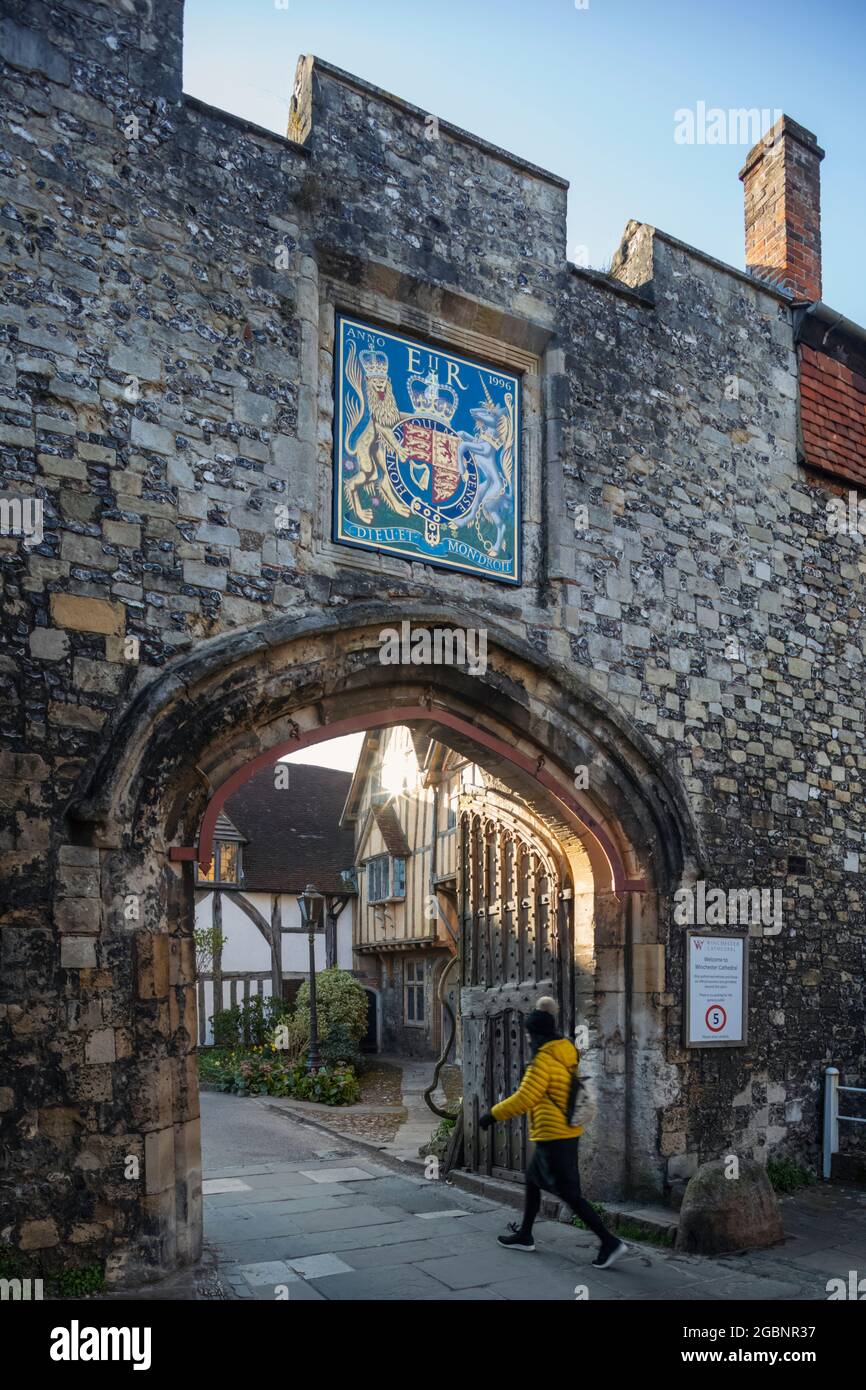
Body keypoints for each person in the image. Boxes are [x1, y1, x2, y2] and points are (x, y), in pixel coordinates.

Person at [479, 997, 627, 1270]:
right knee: (533, 1181)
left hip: (552, 1136)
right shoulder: (567, 1053)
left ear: (536, 1034)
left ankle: (609, 1241)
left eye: (528, 1034)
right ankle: (525, 1235)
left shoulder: (542, 1062)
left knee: (570, 1194)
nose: (527, 1038)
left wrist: (491, 1115)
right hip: (567, 1131)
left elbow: (525, 1098)